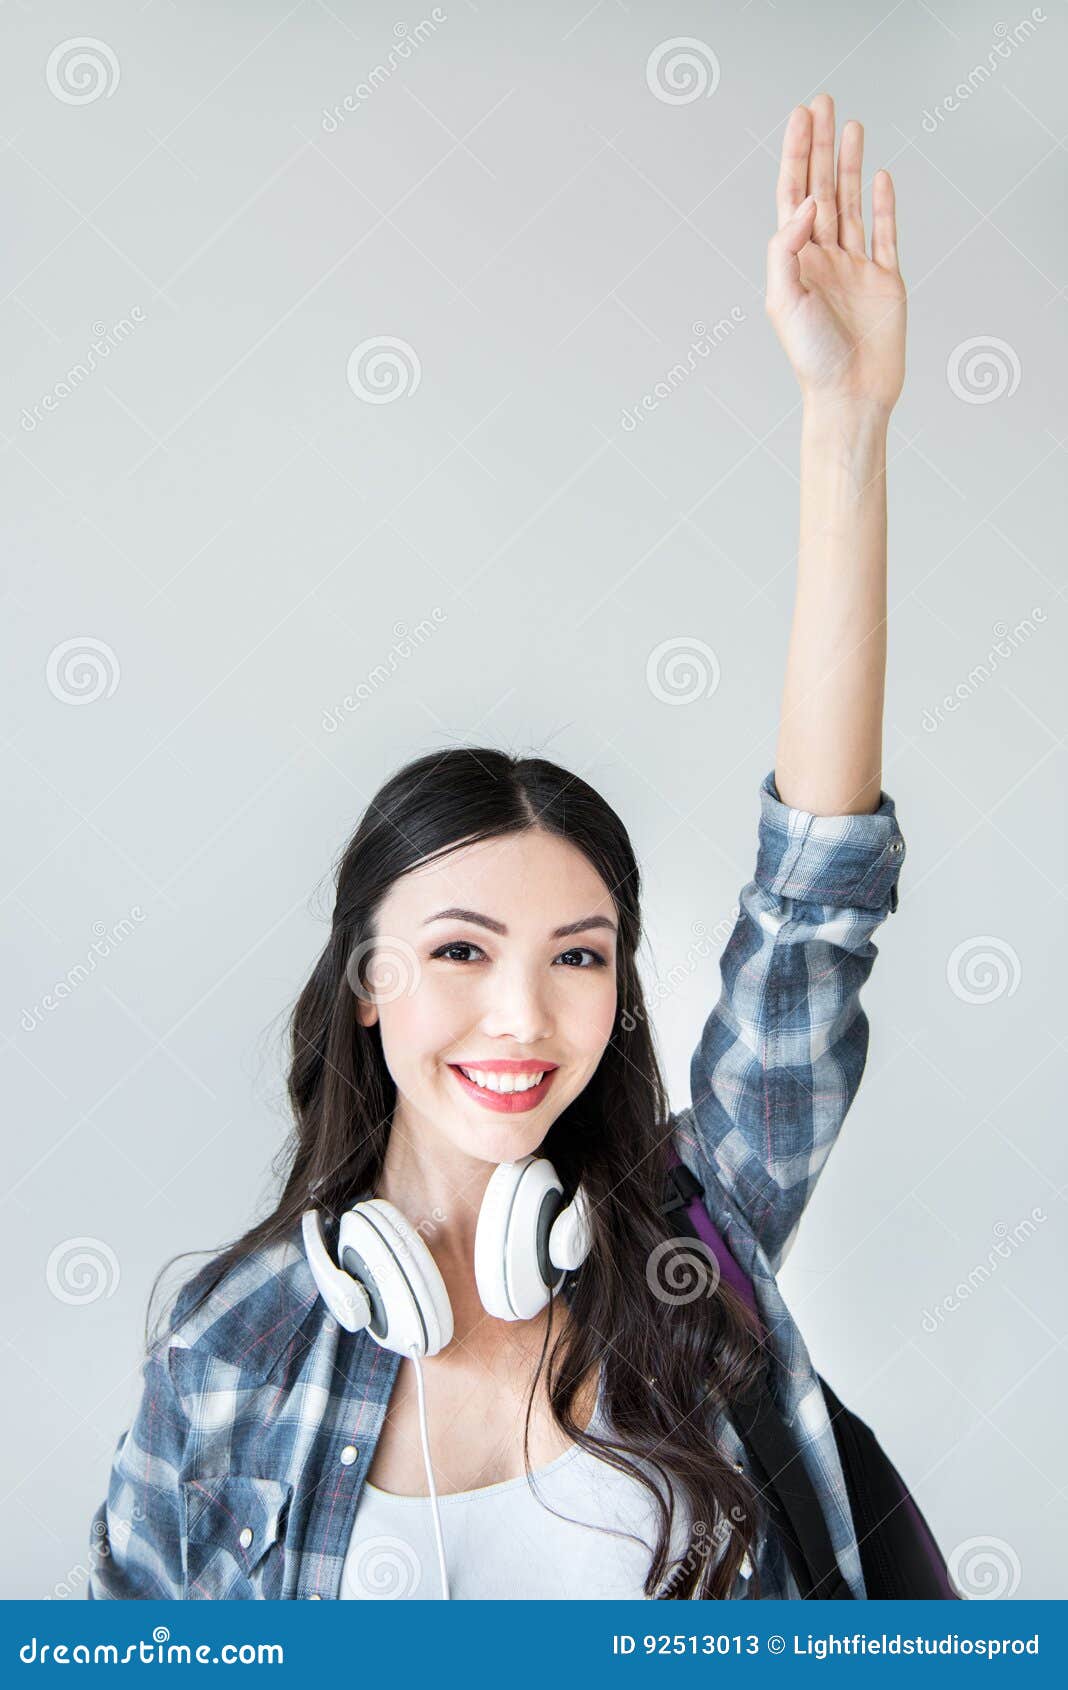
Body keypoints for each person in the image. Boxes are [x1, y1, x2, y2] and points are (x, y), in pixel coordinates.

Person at [86, 92, 908, 1601]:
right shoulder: (229, 1345)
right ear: (369, 982)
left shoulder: (691, 1257)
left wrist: (844, 426)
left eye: (578, 957)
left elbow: (816, 907)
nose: (525, 1015)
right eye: (462, 949)